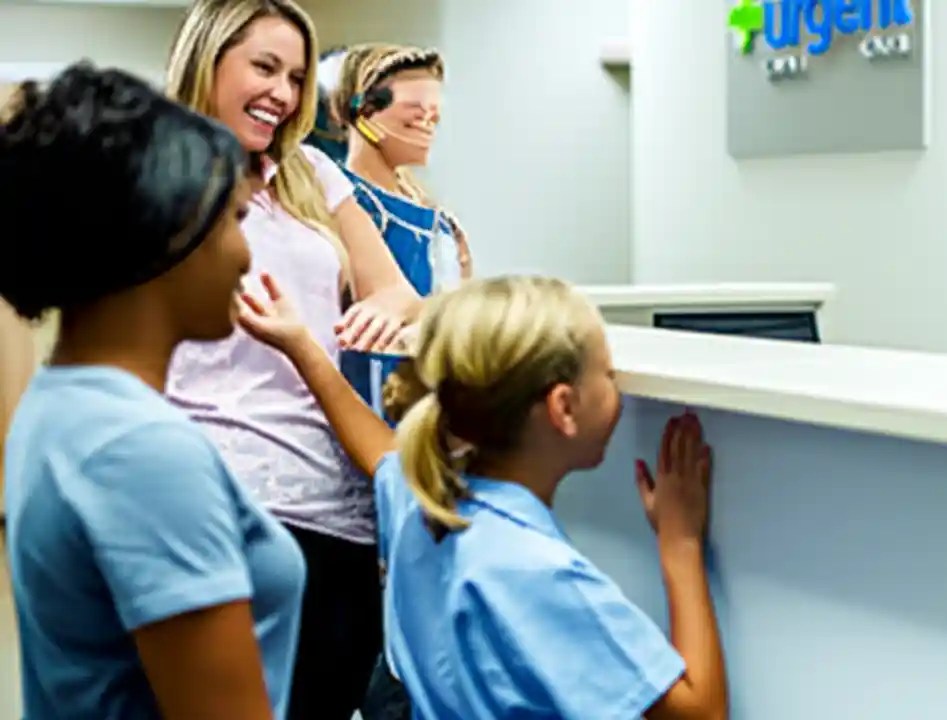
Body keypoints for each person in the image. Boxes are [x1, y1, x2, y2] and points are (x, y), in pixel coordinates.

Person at [237, 273, 730, 719]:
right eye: (607, 374)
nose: (616, 386)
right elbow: (700, 714)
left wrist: (300, 344)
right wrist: (680, 544)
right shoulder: (538, 572)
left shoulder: (424, 497)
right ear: (564, 407)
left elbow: (379, 453)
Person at [0, 62, 305, 719]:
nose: (245, 256)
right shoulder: (137, 449)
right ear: (170, 226)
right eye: (232, 221)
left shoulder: (63, 403)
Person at [162, 1, 426, 717]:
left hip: (336, 509)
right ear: (209, 59)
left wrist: (382, 309)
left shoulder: (310, 169)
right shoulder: (153, 174)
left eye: (296, 76)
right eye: (264, 68)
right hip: (220, 501)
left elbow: (398, 292)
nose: (282, 93)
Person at [326, 43, 473, 415]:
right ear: (363, 110)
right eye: (414, 115)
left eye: (434, 118)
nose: (427, 126)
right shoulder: (345, 201)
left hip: (438, 384)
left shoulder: (433, 212)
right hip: (377, 391)